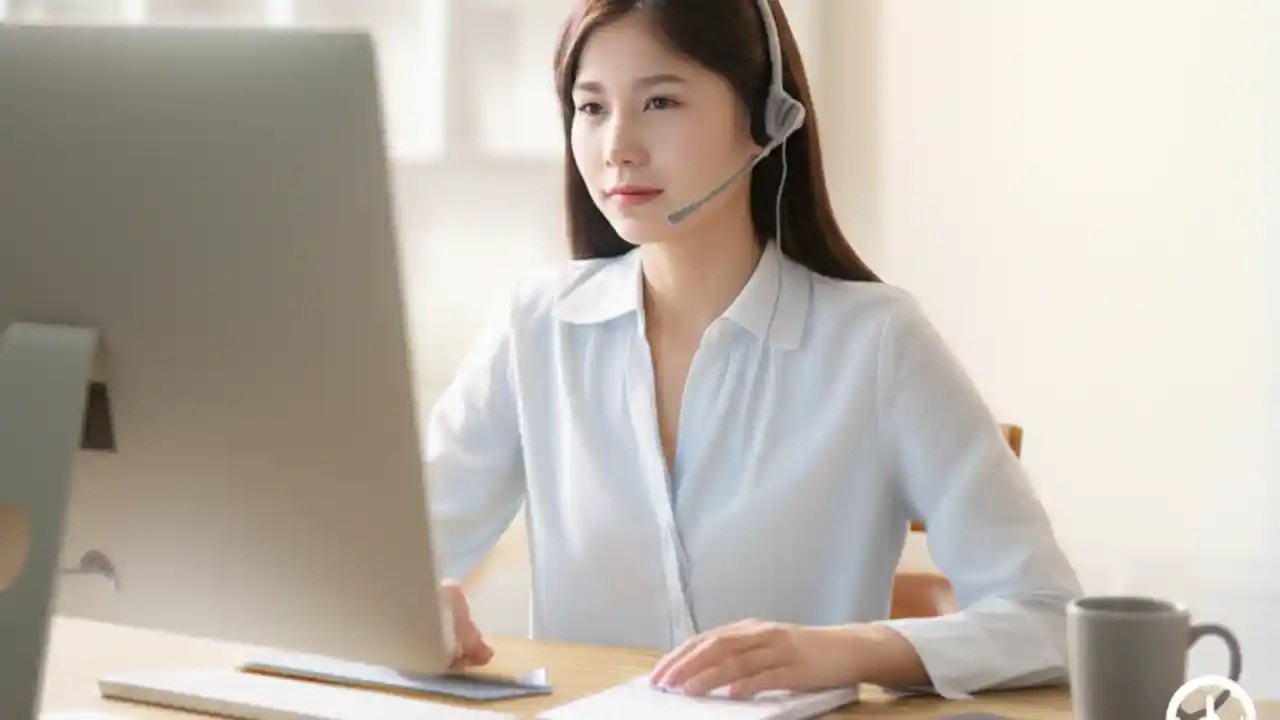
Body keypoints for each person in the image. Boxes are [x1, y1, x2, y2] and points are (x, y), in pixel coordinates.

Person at [427, 0, 1082, 702]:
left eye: (660, 101)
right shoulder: (536, 326)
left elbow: (1048, 620)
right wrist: (418, 607)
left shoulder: (878, 342)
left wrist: (848, 651)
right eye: (591, 108)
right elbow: (388, 567)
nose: (618, 143)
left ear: (767, 120)